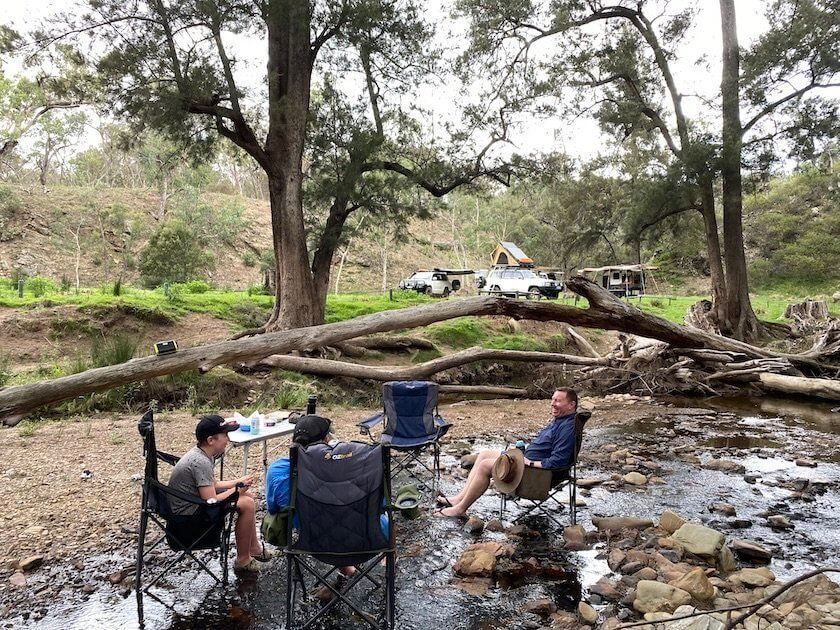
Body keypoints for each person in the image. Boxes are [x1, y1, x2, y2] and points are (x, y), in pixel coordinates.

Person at [436, 387, 579, 518]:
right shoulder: (561, 420)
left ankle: (460, 509)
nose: (552, 403)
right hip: (525, 464)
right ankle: (459, 498)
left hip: (537, 475)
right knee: (485, 454)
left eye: (558, 401)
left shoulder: (568, 428)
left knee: (485, 466)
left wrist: (530, 462)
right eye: (552, 399)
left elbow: (558, 461)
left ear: (571, 405)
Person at [168, 414, 268, 572]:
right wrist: (235, 491)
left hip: (193, 504)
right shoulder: (200, 461)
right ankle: (243, 561)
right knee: (246, 503)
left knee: (247, 496)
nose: (228, 439)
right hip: (187, 517)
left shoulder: (202, 453)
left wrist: (237, 482)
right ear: (211, 440)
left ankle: (254, 549)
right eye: (225, 435)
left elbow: (211, 484)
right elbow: (211, 499)